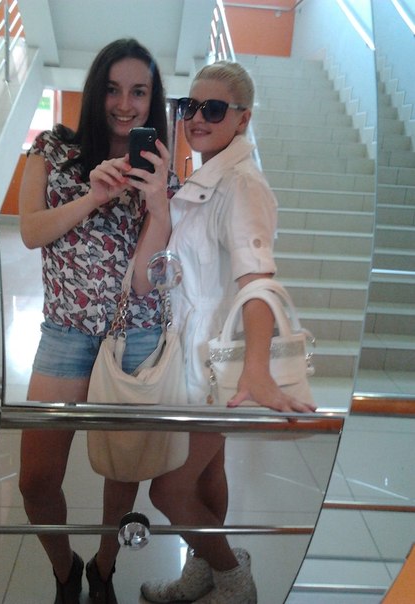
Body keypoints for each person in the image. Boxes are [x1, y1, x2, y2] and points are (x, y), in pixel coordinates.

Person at [138, 61, 317, 603]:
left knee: (169, 490)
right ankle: (205, 573)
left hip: (215, 367)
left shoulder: (241, 184)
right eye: (190, 106)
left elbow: (257, 281)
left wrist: (257, 368)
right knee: (206, 475)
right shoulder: (207, 178)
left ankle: (234, 578)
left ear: (243, 119)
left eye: (213, 109)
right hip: (192, 357)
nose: (197, 117)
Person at [18, 38, 176, 604]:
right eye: (112, 89)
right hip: (64, 333)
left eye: (139, 91)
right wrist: (93, 196)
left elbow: (145, 280)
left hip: (133, 335)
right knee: (36, 481)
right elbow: (31, 231)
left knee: (122, 470)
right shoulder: (52, 149)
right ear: (94, 92)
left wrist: (158, 205)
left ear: (152, 99)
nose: (125, 104)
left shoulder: (159, 168)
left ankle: (105, 566)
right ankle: (65, 570)